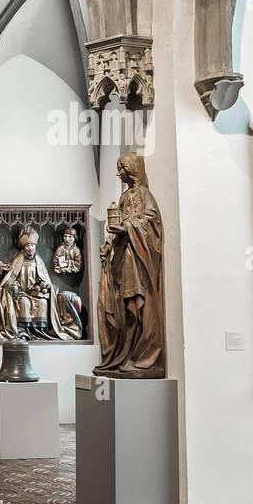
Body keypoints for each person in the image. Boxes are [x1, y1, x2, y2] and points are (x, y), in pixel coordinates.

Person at [95, 152, 165, 378]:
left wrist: (127, 227)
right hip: (122, 255)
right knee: (123, 309)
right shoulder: (125, 197)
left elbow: (151, 219)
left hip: (136, 258)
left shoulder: (144, 194)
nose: (118, 174)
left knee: (135, 302)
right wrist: (110, 243)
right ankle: (126, 355)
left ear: (132, 170)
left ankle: (141, 355)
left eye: (122, 169)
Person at [0, 226, 76, 340]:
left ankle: (39, 332)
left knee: (43, 303)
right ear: (24, 247)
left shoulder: (38, 260)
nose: (30, 248)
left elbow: (44, 277)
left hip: (35, 293)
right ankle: (23, 332)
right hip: (21, 293)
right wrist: (13, 286)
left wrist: (43, 285)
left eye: (32, 245)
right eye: (28, 246)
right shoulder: (18, 259)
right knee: (24, 303)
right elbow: (10, 278)